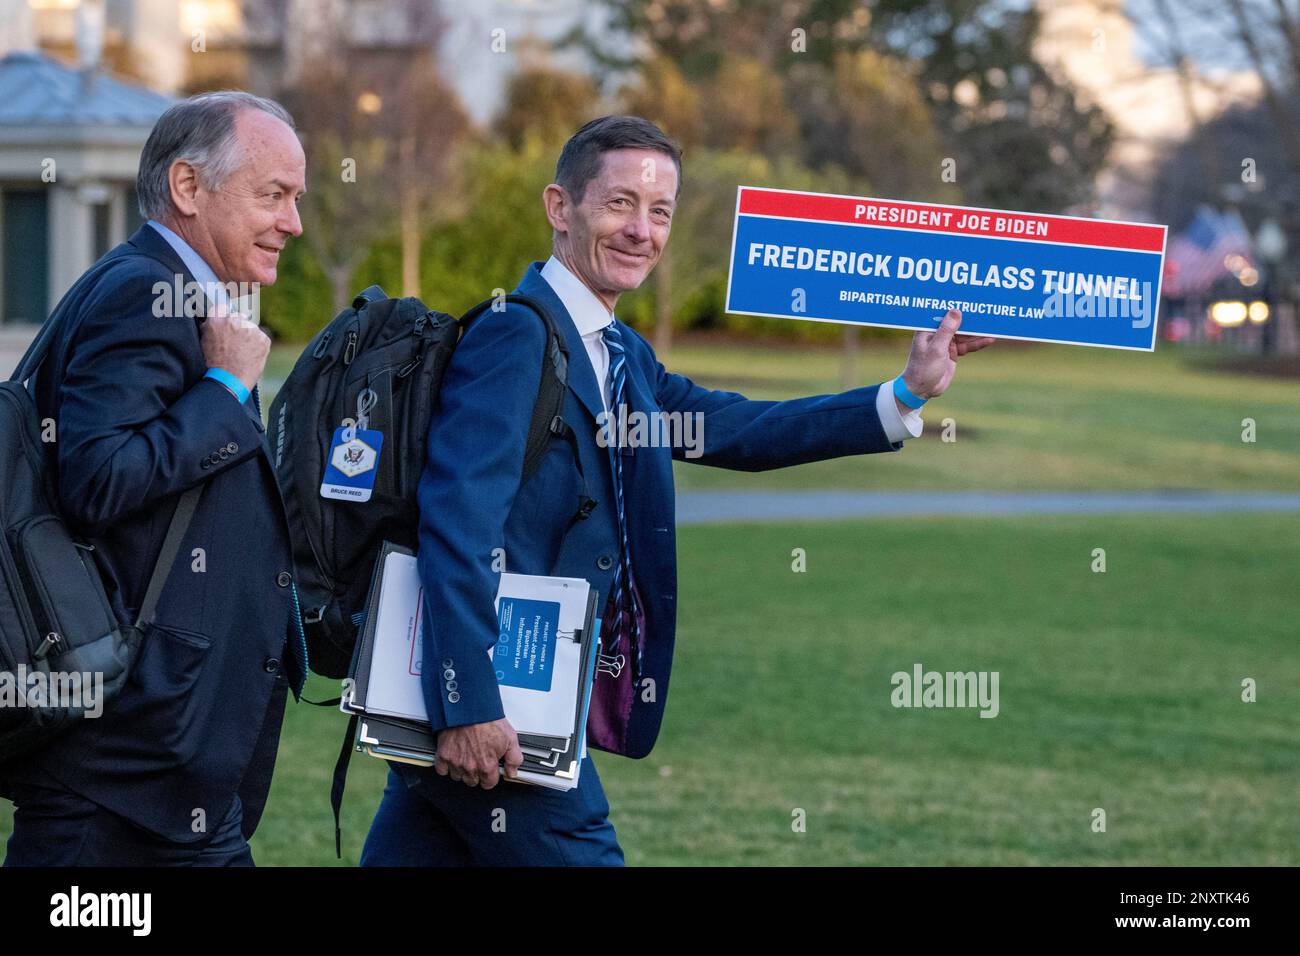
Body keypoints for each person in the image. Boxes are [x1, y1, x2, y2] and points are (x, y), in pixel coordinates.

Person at [360, 115, 993, 866]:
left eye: (660, 211)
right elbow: (458, 522)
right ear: (561, 208)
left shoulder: (620, 351)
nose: (643, 231)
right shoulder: (518, 335)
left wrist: (903, 393)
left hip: (497, 706)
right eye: (620, 203)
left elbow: (738, 430)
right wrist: (469, 705)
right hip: (501, 703)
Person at [1, 92, 308, 866]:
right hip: (122, 774)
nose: (293, 222)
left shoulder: (177, 295)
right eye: (273, 195)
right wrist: (226, 391)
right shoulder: (143, 291)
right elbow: (98, 480)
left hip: (156, 773)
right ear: (186, 187)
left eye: (296, 198)